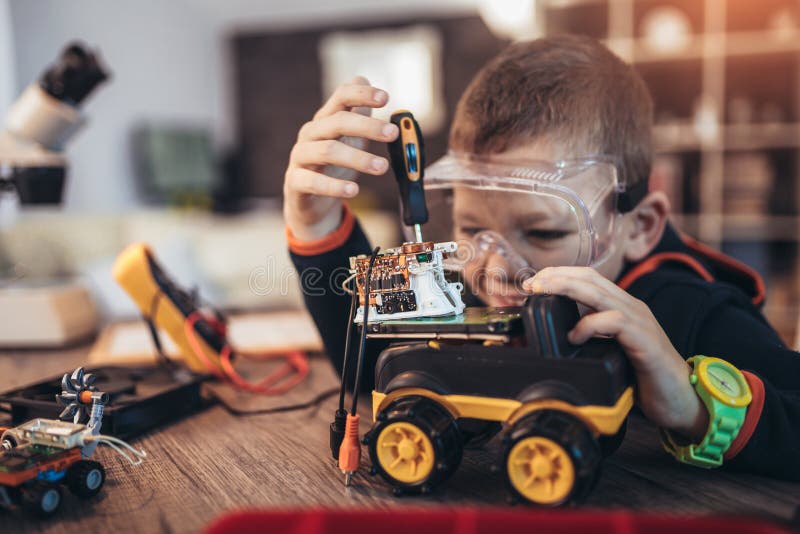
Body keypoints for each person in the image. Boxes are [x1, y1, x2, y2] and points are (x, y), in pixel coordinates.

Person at [282, 34, 800, 480]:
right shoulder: (477, 288)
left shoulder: (694, 311)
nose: (498, 264)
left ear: (638, 226)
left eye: (544, 230)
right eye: (471, 227)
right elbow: (374, 372)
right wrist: (317, 225)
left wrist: (696, 408)